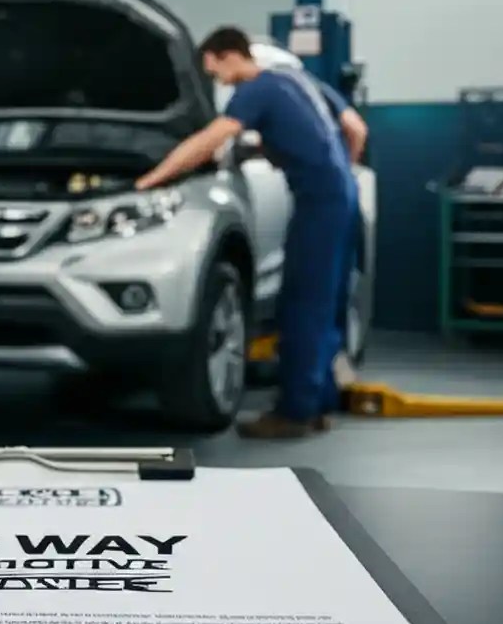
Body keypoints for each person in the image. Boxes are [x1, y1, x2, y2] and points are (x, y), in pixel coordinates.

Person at [136, 26, 369, 439]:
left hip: (318, 202)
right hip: (344, 194)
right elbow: (355, 128)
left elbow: (210, 140)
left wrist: (152, 179)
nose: (218, 81)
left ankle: (293, 414)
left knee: (302, 303)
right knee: (329, 302)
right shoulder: (299, 79)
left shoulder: (255, 89)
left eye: (215, 71)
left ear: (230, 56)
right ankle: (318, 405)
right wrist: (338, 172)